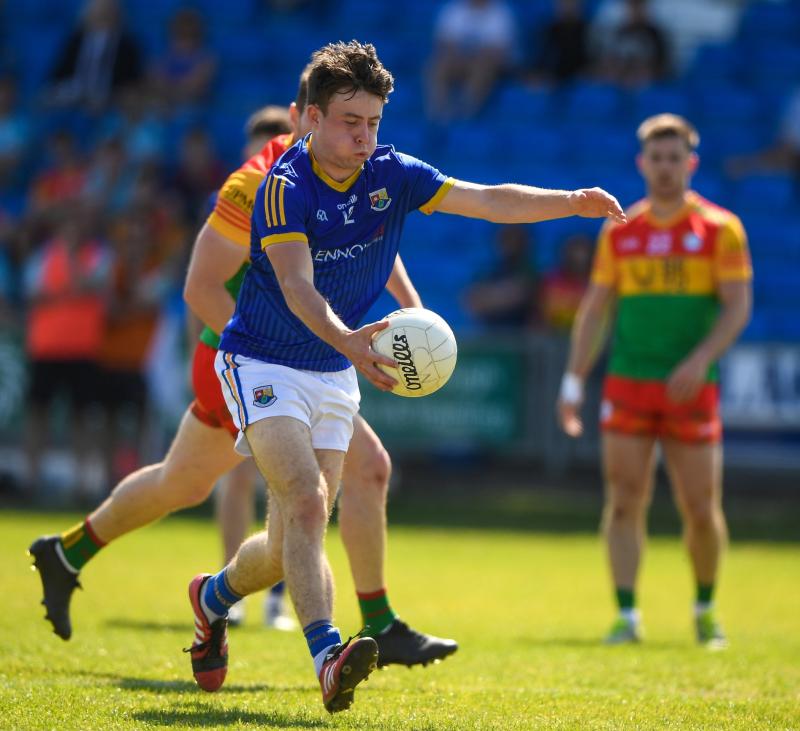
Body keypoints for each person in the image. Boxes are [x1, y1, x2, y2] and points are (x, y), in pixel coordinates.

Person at [192, 40, 624, 713]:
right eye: (348, 121)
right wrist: (349, 340)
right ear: (308, 117)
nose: (364, 137)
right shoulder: (284, 188)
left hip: (333, 369)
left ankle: (212, 597)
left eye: (372, 122)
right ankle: (329, 654)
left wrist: (571, 201)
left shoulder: (392, 172)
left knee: (285, 542)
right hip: (263, 360)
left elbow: (486, 200)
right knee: (307, 503)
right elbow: (299, 288)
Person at [28, 70, 457, 672]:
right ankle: (367, 627)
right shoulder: (254, 185)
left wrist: (413, 311)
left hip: (292, 358)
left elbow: (373, 243)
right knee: (345, 480)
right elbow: (202, 288)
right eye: (332, 122)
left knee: (184, 482)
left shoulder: (342, 175)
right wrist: (284, 349)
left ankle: (69, 550)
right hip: (248, 357)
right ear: (303, 116)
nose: (346, 139)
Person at [557, 114, 752, 647]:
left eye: (675, 159)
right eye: (656, 159)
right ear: (642, 164)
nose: (665, 169)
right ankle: (626, 614)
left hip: (692, 387)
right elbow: (595, 311)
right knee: (623, 499)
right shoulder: (621, 229)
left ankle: (706, 606)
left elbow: (737, 308)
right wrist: (573, 382)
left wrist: (700, 358)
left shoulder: (720, 229)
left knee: (699, 506)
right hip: (629, 382)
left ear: (690, 164)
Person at [427, 0, 517, 122]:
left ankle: (465, 113)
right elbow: (444, 45)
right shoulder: (454, 9)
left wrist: (473, 55)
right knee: (437, 66)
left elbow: (499, 51)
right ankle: (438, 113)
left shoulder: (500, 13)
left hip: (488, 64)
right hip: (459, 60)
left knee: (482, 66)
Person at [463, 224, 539, 330]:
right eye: (506, 237)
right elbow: (471, 300)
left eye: (514, 238)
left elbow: (520, 292)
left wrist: (490, 297)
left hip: (521, 336)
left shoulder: (530, 268)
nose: (510, 242)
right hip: (492, 334)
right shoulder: (493, 268)